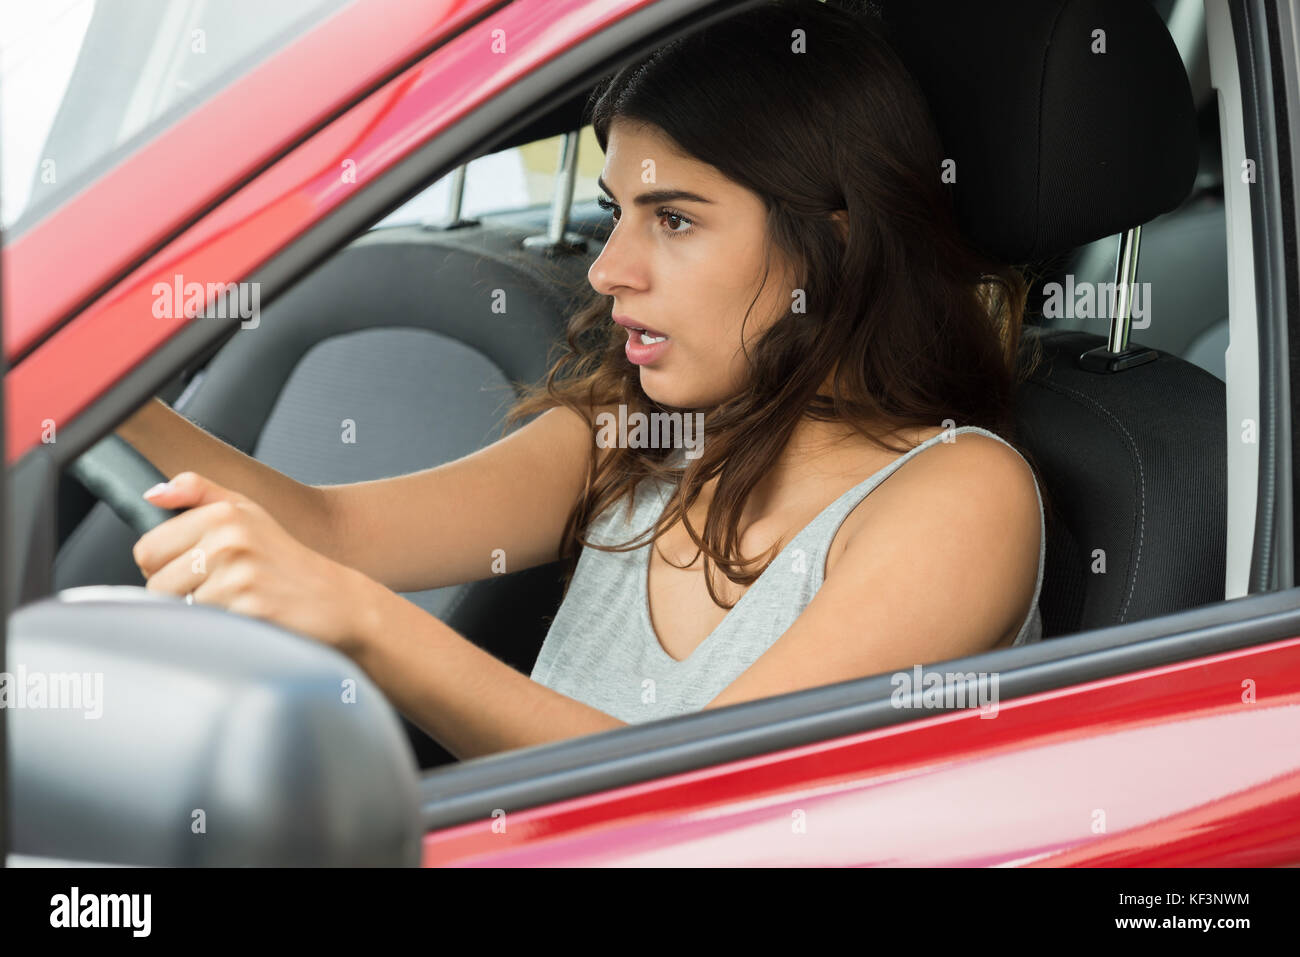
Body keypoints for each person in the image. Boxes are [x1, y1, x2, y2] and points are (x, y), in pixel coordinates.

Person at [119, 0, 1047, 760]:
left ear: (831, 247)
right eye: (616, 213)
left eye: (673, 220)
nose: (608, 270)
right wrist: (90, 399)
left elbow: (711, 797)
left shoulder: (960, 495)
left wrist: (364, 625)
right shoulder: (631, 432)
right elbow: (328, 532)